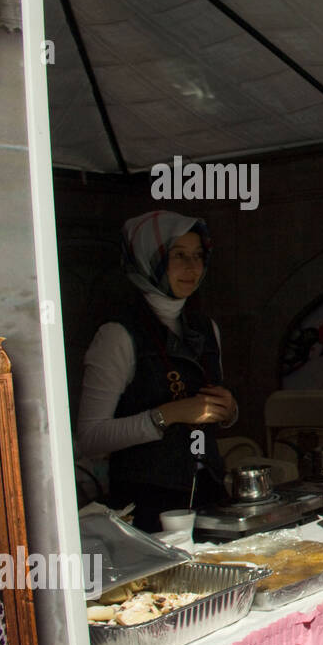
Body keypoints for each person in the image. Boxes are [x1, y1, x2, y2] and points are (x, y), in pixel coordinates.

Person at [77, 211, 238, 533]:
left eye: (198, 256)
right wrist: (166, 415)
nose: (192, 268)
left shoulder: (205, 328)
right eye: (178, 255)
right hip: (147, 501)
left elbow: (215, 411)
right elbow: (90, 438)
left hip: (208, 491)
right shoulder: (117, 335)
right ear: (147, 259)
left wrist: (230, 410)